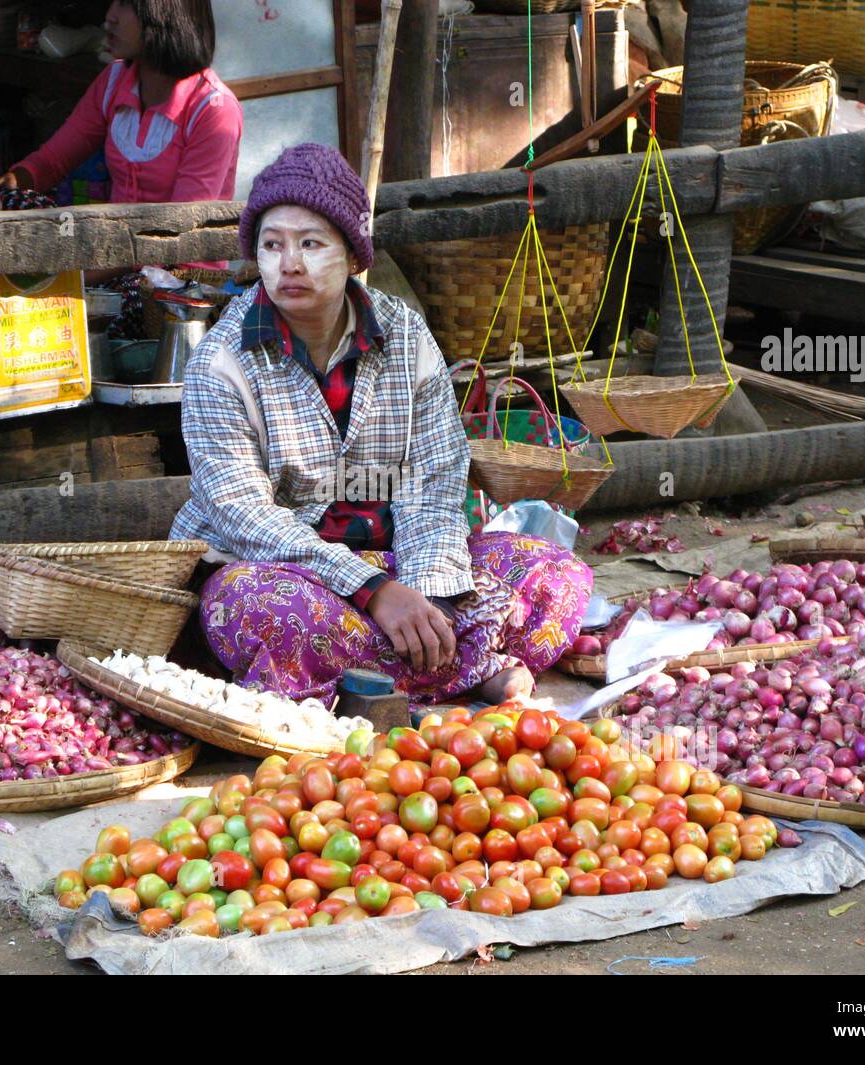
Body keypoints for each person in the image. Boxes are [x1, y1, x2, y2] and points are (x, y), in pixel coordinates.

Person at [171, 143, 595, 709]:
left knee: (555, 575)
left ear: (352, 255)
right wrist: (372, 592)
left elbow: (437, 477)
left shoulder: (403, 333)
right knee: (260, 612)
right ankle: (471, 666)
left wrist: (430, 597)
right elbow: (244, 515)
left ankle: (380, 677)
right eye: (272, 245)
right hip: (282, 573)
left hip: (399, 559)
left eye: (311, 244)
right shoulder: (221, 361)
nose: (289, 263)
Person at [0, 0, 242, 288]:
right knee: (14, 201)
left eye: (127, 5)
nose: (110, 17)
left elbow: (177, 233)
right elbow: (53, 161)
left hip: (174, 277)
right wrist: (9, 184)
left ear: (166, 16)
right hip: (111, 255)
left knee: (133, 292)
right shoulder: (114, 80)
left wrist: (72, 280)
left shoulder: (213, 109)